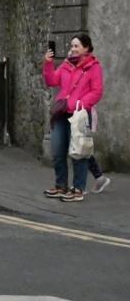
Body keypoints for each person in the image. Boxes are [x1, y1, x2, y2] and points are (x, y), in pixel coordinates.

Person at [42, 34, 104, 202]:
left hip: (80, 114)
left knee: (79, 152)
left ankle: (78, 189)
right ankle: (61, 185)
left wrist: (80, 104)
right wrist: (48, 63)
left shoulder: (94, 67)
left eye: (77, 46)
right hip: (62, 112)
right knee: (57, 150)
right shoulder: (66, 64)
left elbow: (97, 92)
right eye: (72, 46)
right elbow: (51, 81)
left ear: (86, 48)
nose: (73, 49)